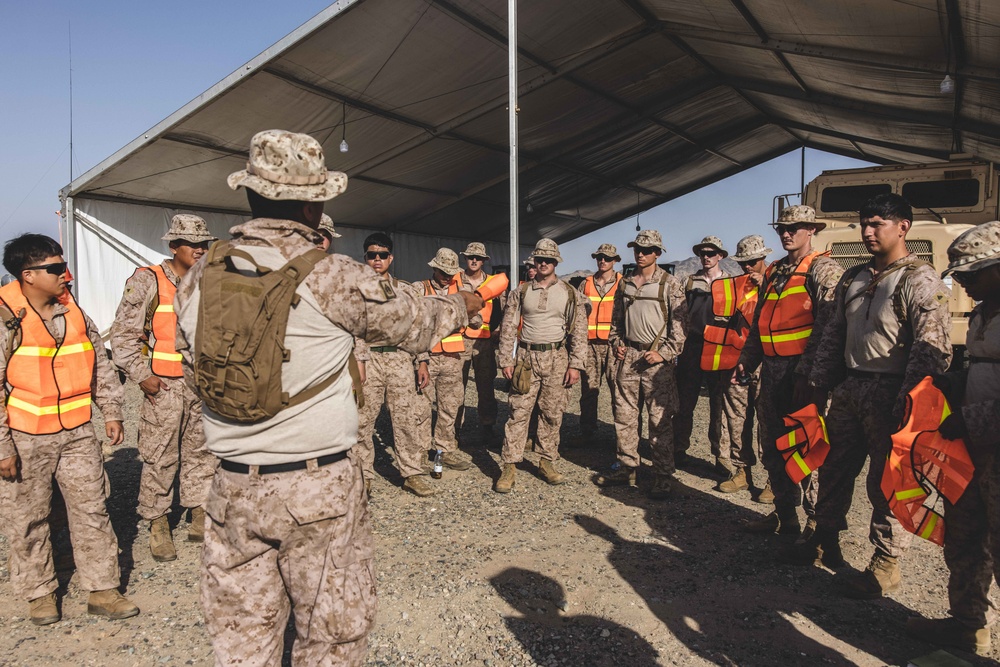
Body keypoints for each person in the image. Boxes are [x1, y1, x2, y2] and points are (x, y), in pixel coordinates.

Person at [173, 129, 481, 665]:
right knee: (331, 636)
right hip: (315, 487)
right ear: (315, 204)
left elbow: (188, 359)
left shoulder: (202, 273)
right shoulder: (332, 274)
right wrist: (468, 301)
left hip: (229, 485)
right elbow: (418, 325)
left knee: (243, 640)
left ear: (250, 192)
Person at [783, 194, 952, 599]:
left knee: (889, 481)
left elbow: (932, 349)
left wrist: (910, 404)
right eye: (864, 223)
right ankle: (824, 538)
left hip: (892, 392)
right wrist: (817, 381)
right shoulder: (854, 276)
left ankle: (885, 564)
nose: (867, 231)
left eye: (877, 223)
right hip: (850, 389)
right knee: (834, 468)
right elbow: (833, 334)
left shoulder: (919, 278)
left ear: (903, 227)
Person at [0, 233, 138, 625]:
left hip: (78, 431)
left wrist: (111, 410)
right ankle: (40, 594)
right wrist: (3, 446)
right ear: (28, 275)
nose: (67, 276)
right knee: (28, 518)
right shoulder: (4, 317)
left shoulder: (72, 310)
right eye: (56, 269)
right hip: (26, 435)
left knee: (92, 510)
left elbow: (99, 363)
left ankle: (102, 589)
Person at [904, 221, 1000, 656]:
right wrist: (953, 382)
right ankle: (967, 625)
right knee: (964, 538)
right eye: (959, 275)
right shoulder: (984, 310)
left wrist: (970, 417)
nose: (963, 282)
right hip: (974, 451)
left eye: (972, 273)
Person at [110, 214, 218, 563]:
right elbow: (122, 335)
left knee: (201, 451)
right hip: (166, 385)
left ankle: (199, 510)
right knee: (160, 455)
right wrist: (143, 376)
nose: (200, 250)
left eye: (204, 244)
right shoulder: (148, 281)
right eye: (193, 244)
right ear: (174, 246)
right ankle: (157, 521)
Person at [737, 205, 844, 536]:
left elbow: (830, 326)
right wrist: (748, 359)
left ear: (811, 230)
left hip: (803, 375)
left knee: (808, 449)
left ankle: (815, 522)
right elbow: (759, 323)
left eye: (795, 227)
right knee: (772, 446)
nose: (786, 232)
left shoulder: (823, 270)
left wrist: (810, 377)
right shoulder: (774, 271)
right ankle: (786, 516)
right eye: (782, 227)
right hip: (771, 371)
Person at [595, 230, 687, 499]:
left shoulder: (671, 284)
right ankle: (627, 467)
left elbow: (681, 327)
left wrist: (665, 353)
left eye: (647, 250)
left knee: (659, 421)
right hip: (630, 359)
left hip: (657, 362)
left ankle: (662, 475)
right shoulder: (625, 284)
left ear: (657, 253)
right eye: (637, 248)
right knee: (624, 417)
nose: (641, 253)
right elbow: (616, 322)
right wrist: (617, 343)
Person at [494, 239, 587, 492]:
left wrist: (575, 365)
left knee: (552, 412)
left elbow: (579, 331)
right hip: (526, 357)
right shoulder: (521, 292)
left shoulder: (570, 293)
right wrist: (506, 360)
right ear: (534, 262)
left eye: (548, 259)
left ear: (556, 262)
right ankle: (510, 465)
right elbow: (508, 328)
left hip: (557, 358)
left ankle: (546, 461)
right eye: (539, 259)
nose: (543, 263)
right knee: (518, 412)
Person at [353, 232, 437, 497]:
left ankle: (411, 473)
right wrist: (358, 360)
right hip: (369, 360)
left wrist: (422, 361)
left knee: (405, 419)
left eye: (382, 255)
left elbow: (418, 329)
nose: (377, 260)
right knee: (362, 421)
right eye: (371, 255)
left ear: (391, 257)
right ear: (365, 257)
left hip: (400, 359)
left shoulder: (405, 290)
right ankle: (362, 476)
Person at [673, 235, 735, 475]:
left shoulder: (732, 283)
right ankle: (679, 449)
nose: (706, 257)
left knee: (719, 404)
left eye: (711, 253)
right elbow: (679, 317)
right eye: (703, 254)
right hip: (693, 348)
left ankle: (722, 457)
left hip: (721, 349)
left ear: (720, 256)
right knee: (684, 402)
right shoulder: (689, 282)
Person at [716, 234, 772, 496]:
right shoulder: (735, 285)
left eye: (752, 261)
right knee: (736, 419)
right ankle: (741, 472)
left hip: (769, 362)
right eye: (742, 263)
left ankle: (775, 480)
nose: (747, 267)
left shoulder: (778, 281)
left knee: (769, 422)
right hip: (738, 361)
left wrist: (766, 286)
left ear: (763, 258)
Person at [422, 248, 474, 472]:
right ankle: (421, 450)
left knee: (449, 407)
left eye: (450, 273)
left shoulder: (461, 292)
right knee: (421, 407)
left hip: (453, 358)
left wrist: (472, 317)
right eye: (443, 272)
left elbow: (476, 316)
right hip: (427, 358)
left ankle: (444, 450)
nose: (446, 276)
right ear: (434, 268)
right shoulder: (419, 289)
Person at [457, 242, 508, 437]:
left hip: (484, 343)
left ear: (485, 261)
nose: (474, 260)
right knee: (456, 389)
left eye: (478, 257)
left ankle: (488, 427)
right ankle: (455, 429)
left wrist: (500, 334)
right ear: (465, 258)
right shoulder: (456, 280)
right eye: (470, 257)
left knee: (486, 387)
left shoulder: (494, 284)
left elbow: (505, 312)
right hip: (459, 341)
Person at [576, 243, 622, 444]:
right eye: (599, 257)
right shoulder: (584, 283)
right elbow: (577, 315)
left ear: (615, 261)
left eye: (607, 258)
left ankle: (622, 437)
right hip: (589, 345)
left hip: (613, 346)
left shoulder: (624, 283)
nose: (603, 261)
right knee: (588, 391)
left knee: (619, 392)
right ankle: (587, 433)